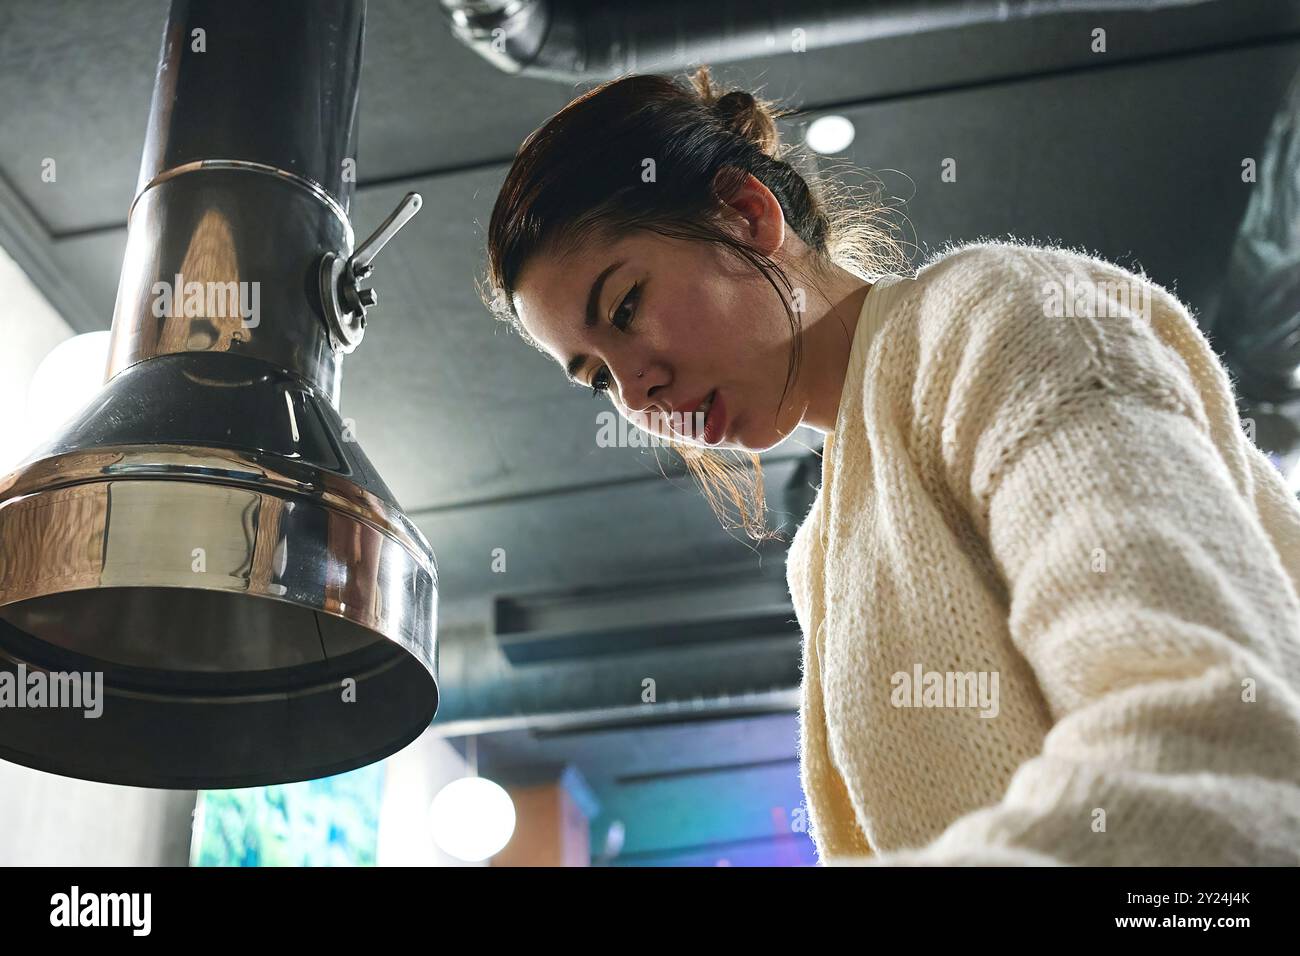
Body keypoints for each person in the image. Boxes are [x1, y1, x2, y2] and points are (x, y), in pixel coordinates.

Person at [479, 65, 1300, 865]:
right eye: (598, 380)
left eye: (625, 307)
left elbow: (1216, 741)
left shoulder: (996, 322)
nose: (639, 392)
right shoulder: (822, 553)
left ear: (744, 213)